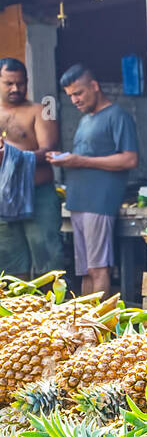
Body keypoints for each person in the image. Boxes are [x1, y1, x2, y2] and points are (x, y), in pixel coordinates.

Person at [49, 64, 139, 296]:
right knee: (86, 272)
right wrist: (64, 159)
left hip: (99, 204)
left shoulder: (117, 116)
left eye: (78, 93)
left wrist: (80, 161)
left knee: (99, 270)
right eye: (70, 96)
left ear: (95, 86)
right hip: (79, 203)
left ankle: (101, 328)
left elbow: (130, 159)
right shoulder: (85, 120)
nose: (74, 100)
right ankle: (85, 327)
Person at [0, 59, 64, 280]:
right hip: (3, 197)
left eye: (21, 83)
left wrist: (10, 155)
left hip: (37, 193)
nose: (16, 88)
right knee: (9, 264)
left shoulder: (40, 110)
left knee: (49, 259)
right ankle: (18, 313)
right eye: (9, 83)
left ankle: (57, 311)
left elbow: (49, 150)